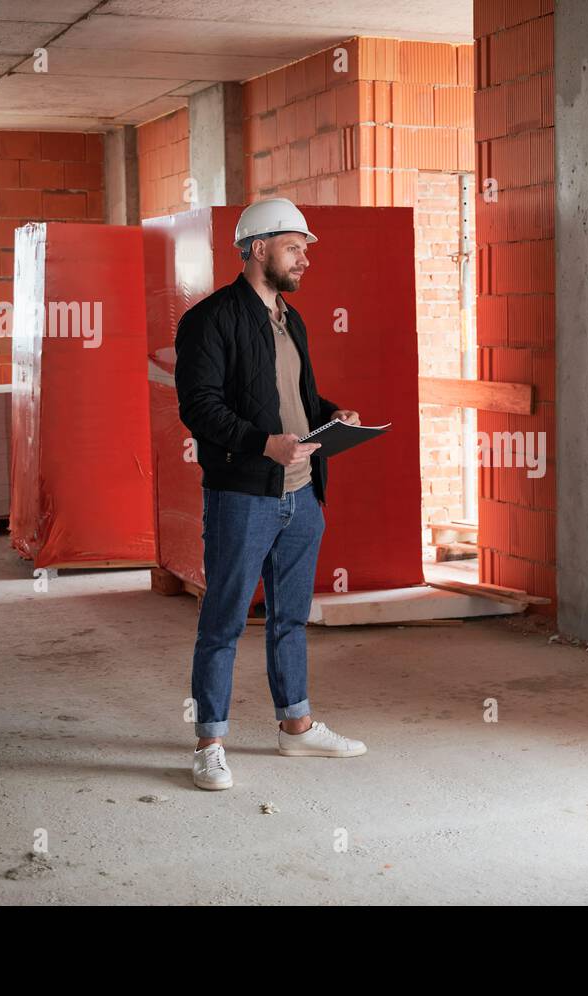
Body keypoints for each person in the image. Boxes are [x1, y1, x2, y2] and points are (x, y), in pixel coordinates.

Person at [175, 197, 367, 792]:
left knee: (291, 618)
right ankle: (210, 740)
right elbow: (200, 409)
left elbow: (297, 401)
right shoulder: (209, 321)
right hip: (243, 496)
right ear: (259, 249)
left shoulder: (290, 318)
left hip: (301, 494)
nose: (305, 257)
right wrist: (264, 445)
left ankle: (296, 725)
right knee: (224, 619)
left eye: (305, 248)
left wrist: (334, 415)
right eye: (295, 246)